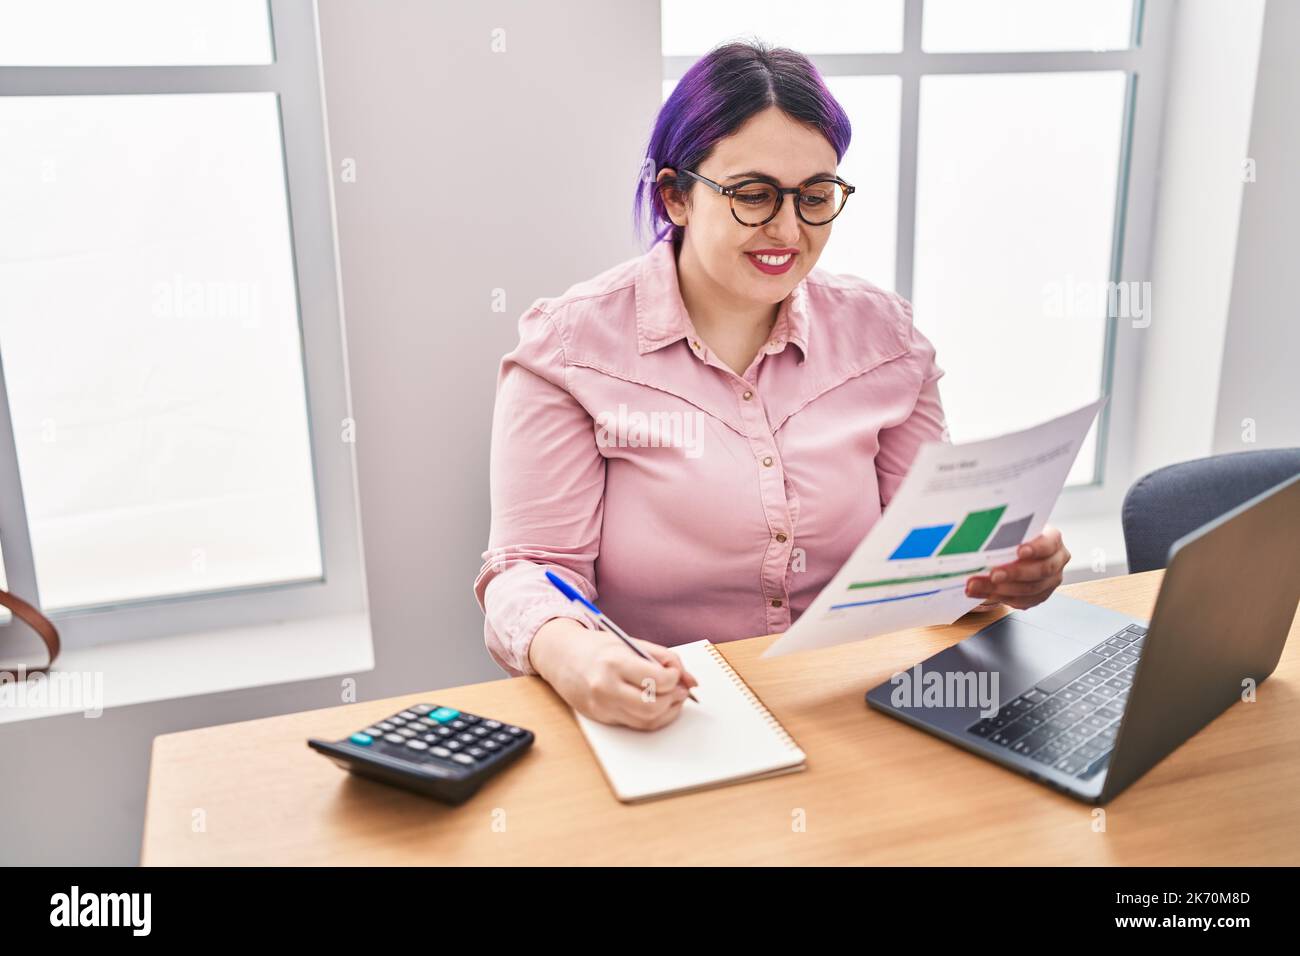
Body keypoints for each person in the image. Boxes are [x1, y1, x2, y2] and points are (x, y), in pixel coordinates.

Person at [474, 41, 1071, 731]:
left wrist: (1003, 566)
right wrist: (572, 655)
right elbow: (529, 569)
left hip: (864, 708)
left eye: (816, 196)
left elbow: (931, 558)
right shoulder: (571, 350)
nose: (788, 230)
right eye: (754, 196)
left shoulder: (884, 339)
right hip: (676, 718)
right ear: (675, 195)